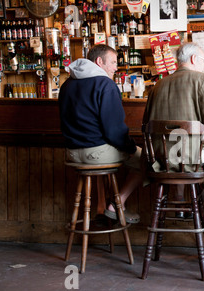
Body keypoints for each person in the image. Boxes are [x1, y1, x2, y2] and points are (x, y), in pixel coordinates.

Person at [59, 44, 143, 224]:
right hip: (96, 154)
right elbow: (114, 132)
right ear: (99, 61)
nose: (115, 67)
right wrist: (130, 147)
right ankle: (117, 205)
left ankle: (102, 207)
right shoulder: (105, 84)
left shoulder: (67, 84)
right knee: (146, 158)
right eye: (112, 62)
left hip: (72, 153)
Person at [143, 42, 204, 217]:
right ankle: (197, 204)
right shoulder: (203, 80)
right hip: (191, 157)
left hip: (160, 158)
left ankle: (180, 202)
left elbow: (145, 124)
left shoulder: (157, 86)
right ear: (194, 58)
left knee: (179, 151)